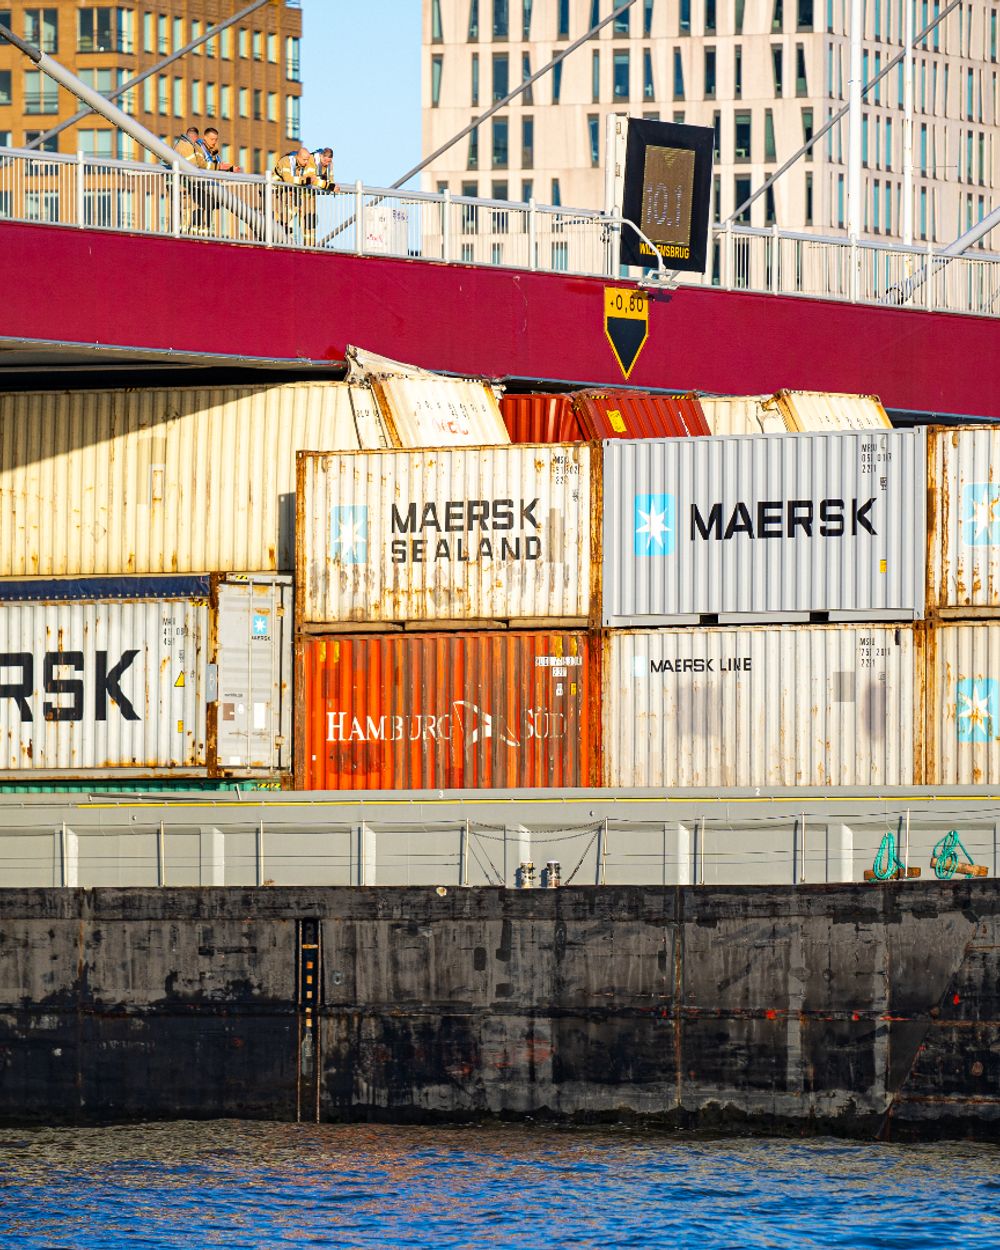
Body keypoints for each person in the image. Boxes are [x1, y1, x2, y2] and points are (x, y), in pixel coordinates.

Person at [272, 146, 328, 245]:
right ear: (297, 157)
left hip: (293, 190)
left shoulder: (308, 164)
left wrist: (330, 186)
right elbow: (288, 179)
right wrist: (305, 181)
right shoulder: (287, 161)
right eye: (304, 160)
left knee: (303, 214)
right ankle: (279, 226)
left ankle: (310, 245)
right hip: (275, 189)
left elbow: (310, 180)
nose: (306, 162)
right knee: (293, 205)